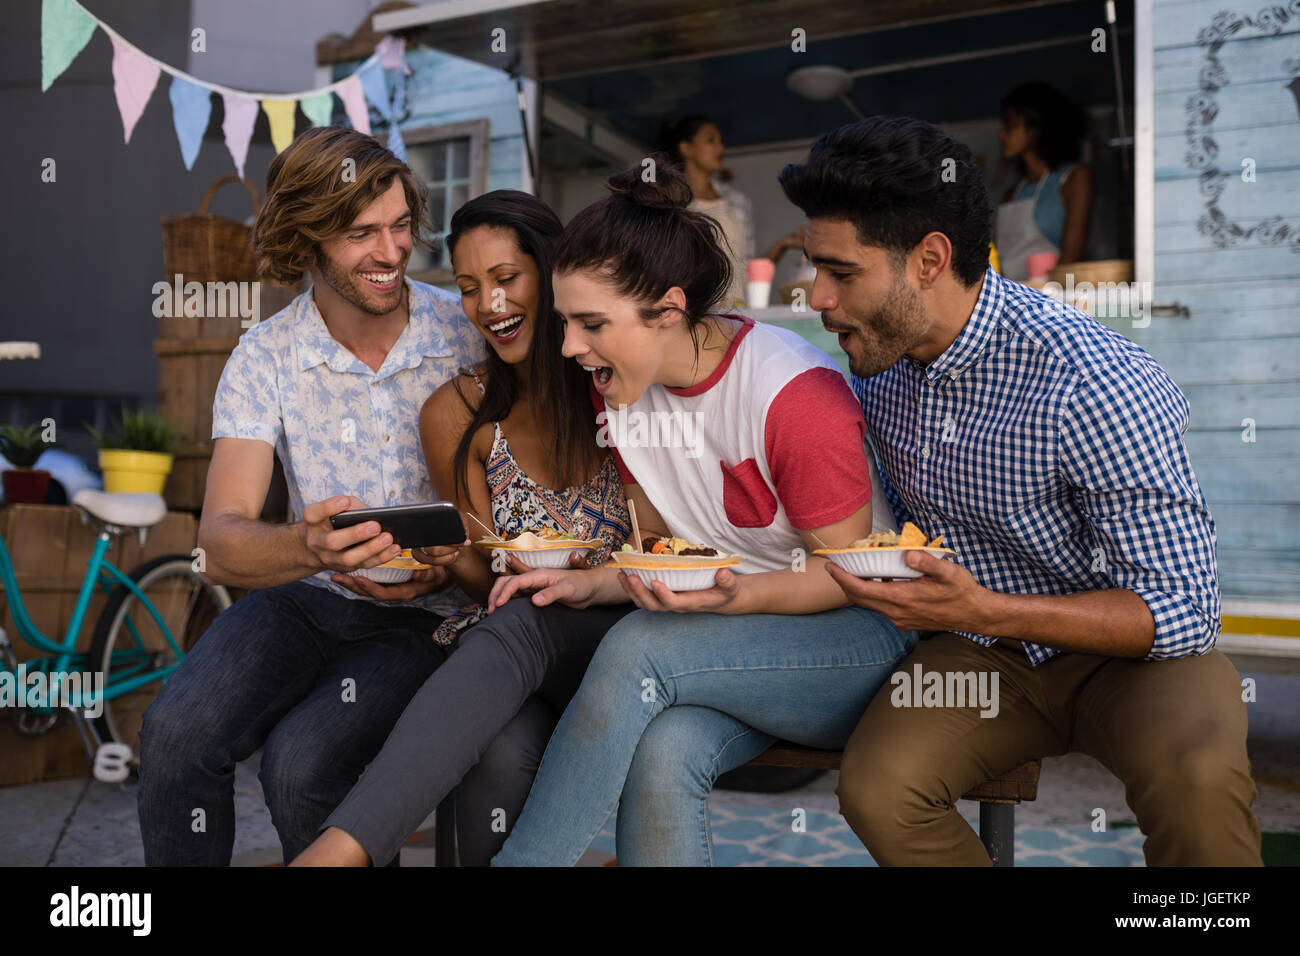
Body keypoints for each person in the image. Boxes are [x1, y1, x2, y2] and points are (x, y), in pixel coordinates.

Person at [777, 115, 1261, 865]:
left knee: (1199, 779)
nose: (819, 298)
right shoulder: (876, 371)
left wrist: (988, 607)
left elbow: (1184, 610)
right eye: (818, 270)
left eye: (843, 273)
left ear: (929, 260)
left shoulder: (1094, 380)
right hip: (978, 655)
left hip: (1130, 659)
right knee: (880, 791)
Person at [487, 159, 912, 867]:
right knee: (663, 750)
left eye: (592, 323)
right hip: (734, 645)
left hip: (858, 643)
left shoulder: (793, 396)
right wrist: (593, 582)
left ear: (669, 308)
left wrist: (737, 595)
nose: (568, 347)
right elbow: (667, 553)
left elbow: (850, 577)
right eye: (565, 322)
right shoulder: (618, 387)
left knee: (636, 648)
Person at [136, 126, 486, 866]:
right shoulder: (266, 355)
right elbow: (219, 542)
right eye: (361, 234)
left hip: (433, 618)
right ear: (306, 239)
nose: (391, 253)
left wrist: (459, 560)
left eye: (399, 227)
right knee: (173, 734)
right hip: (310, 594)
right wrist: (307, 544)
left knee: (301, 766)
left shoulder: (465, 332)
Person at [290, 191, 632, 867]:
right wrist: (453, 559)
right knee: (498, 752)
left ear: (552, 273)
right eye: (471, 289)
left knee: (527, 618)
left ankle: (337, 853)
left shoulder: (617, 383)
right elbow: (488, 583)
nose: (490, 306)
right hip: (521, 658)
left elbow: (673, 546)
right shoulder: (459, 413)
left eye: (507, 279)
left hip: (628, 639)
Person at [658, 115, 805, 307]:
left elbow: (748, 268)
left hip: (736, 310)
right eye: (711, 140)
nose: (721, 148)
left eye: (720, 142)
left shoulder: (738, 202)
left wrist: (784, 243)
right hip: (691, 314)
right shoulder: (668, 203)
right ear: (686, 148)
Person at [995, 82, 1094, 280]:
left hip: (1054, 299)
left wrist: (1044, 302)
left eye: (1010, 125)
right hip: (1012, 301)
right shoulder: (1010, 195)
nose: (1001, 134)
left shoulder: (1075, 178)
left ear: (1037, 127)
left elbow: (1071, 257)